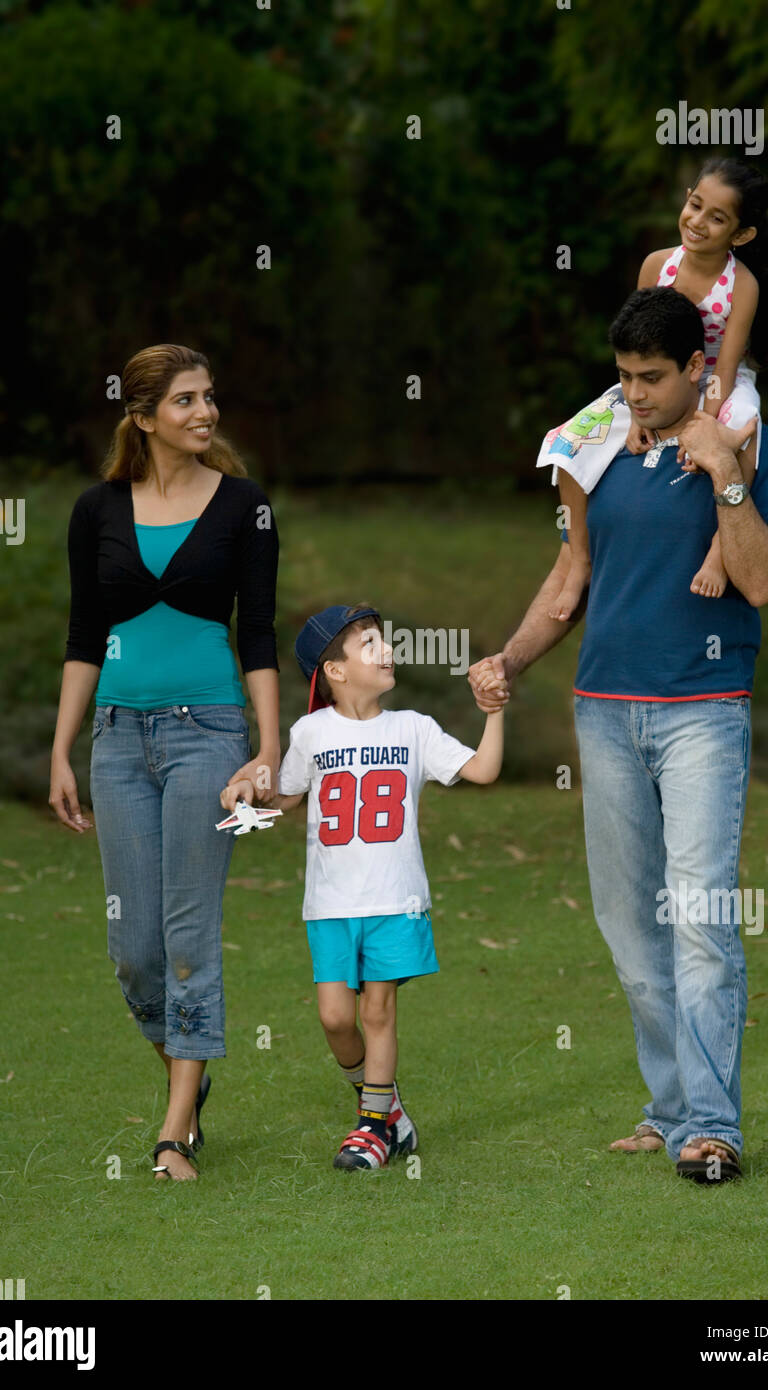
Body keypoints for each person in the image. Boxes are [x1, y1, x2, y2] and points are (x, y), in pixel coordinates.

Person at [471, 288, 768, 1182]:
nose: (634, 394)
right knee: (628, 927)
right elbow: (573, 570)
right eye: (622, 376)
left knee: (697, 921)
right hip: (603, 714)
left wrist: (724, 472)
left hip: (703, 710)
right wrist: (511, 658)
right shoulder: (596, 444)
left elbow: (764, 581)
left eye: (651, 378)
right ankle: (668, 1110)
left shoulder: (758, 446)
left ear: (698, 368)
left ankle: (713, 1127)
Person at [49, 343, 280, 1181]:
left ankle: (174, 1129)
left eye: (209, 396)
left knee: (189, 934)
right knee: (133, 949)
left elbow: (257, 632)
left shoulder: (243, 507)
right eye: (185, 401)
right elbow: (82, 638)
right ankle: (191, 1068)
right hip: (115, 741)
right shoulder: (96, 509)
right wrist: (63, 748)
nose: (205, 412)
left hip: (207, 737)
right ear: (143, 417)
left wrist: (268, 745)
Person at [222, 604, 503, 1170]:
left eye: (384, 639)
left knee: (377, 1012)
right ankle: (386, 1110)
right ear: (336, 670)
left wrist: (493, 713)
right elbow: (284, 794)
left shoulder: (413, 728)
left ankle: (371, 1129)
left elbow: (483, 771)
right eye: (369, 643)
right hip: (329, 904)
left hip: (394, 899)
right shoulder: (309, 732)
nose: (386, 650)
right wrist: (246, 786)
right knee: (334, 1018)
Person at [548, 156, 768, 615]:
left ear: (740, 234)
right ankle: (578, 561)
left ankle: (719, 551)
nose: (697, 222)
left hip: (719, 381)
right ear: (686, 199)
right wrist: (635, 413)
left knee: (744, 435)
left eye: (716, 218)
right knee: (571, 441)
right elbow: (636, 348)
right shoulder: (657, 265)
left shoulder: (742, 285)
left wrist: (702, 425)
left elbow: (724, 369)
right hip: (657, 381)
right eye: (695, 205)